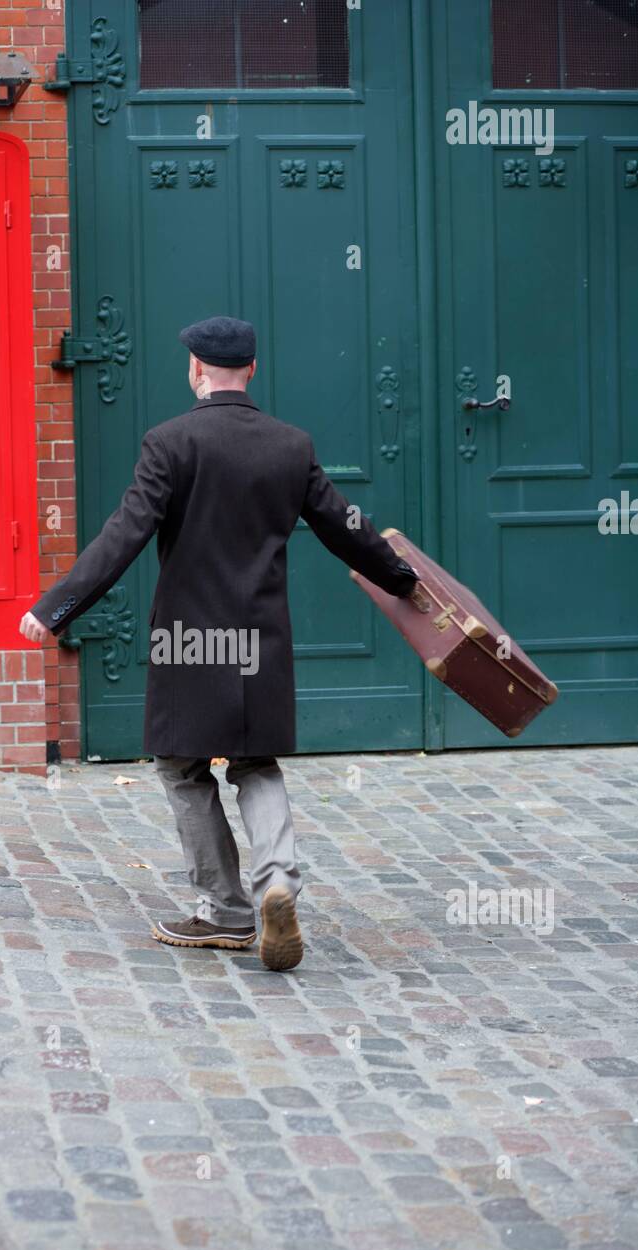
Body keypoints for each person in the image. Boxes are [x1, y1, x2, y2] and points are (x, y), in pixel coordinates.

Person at [21, 316, 417, 971]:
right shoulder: (290, 445)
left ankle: (226, 910)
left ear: (196, 370)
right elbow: (346, 527)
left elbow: (122, 537)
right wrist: (404, 580)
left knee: (182, 767)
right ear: (252, 370)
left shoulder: (170, 443)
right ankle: (278, 879)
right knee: (255, 764)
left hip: (189, 639)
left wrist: (55, 608)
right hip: (261, 636)